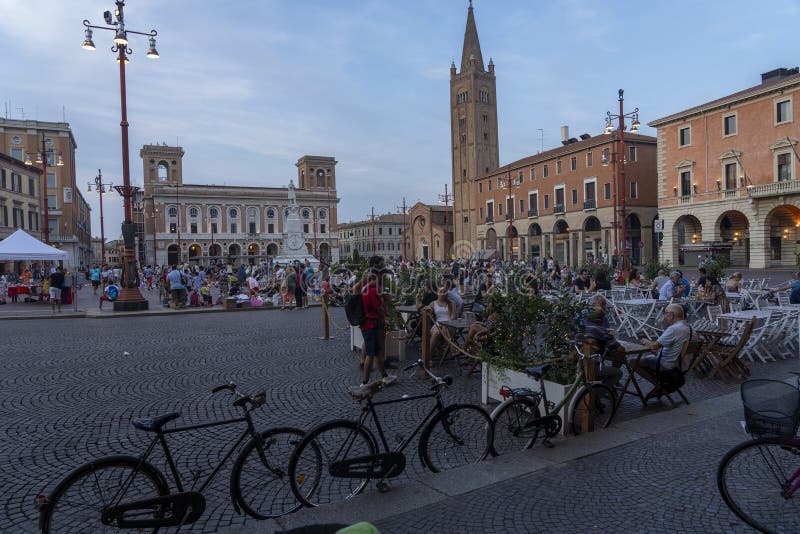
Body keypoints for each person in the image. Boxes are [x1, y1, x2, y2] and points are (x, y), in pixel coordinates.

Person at [632, 303, 691, 386]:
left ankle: (658, 385)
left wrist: (646, 342)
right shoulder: (688, 327)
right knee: (651, 355)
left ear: (671, 315)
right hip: (678, 364)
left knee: (632, 361)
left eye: (665, 313)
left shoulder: (674, 329)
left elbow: (654, 346)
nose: (664, 316)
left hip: (666, 366)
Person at [358, 260, 393, 387]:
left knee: (377, 352)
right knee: (371, 354)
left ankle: (384, 376)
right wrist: (386, 314)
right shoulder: (372, 291)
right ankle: (364, 383)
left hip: (369, 323)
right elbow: (378, 307)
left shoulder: (365, 289)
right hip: (371, 324)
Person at [426, 285, 456, 371]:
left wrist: (445, 324)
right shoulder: (433, 303)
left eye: (444, 292)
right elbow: (427, 312)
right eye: (440, 292)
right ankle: (429, 357)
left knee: (444, 328)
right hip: (437, 324)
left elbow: (453, 318)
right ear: (437, 293)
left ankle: (428, 357)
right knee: (436, 332)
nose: (442, 294)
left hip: (449, 325)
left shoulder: (451, 303)